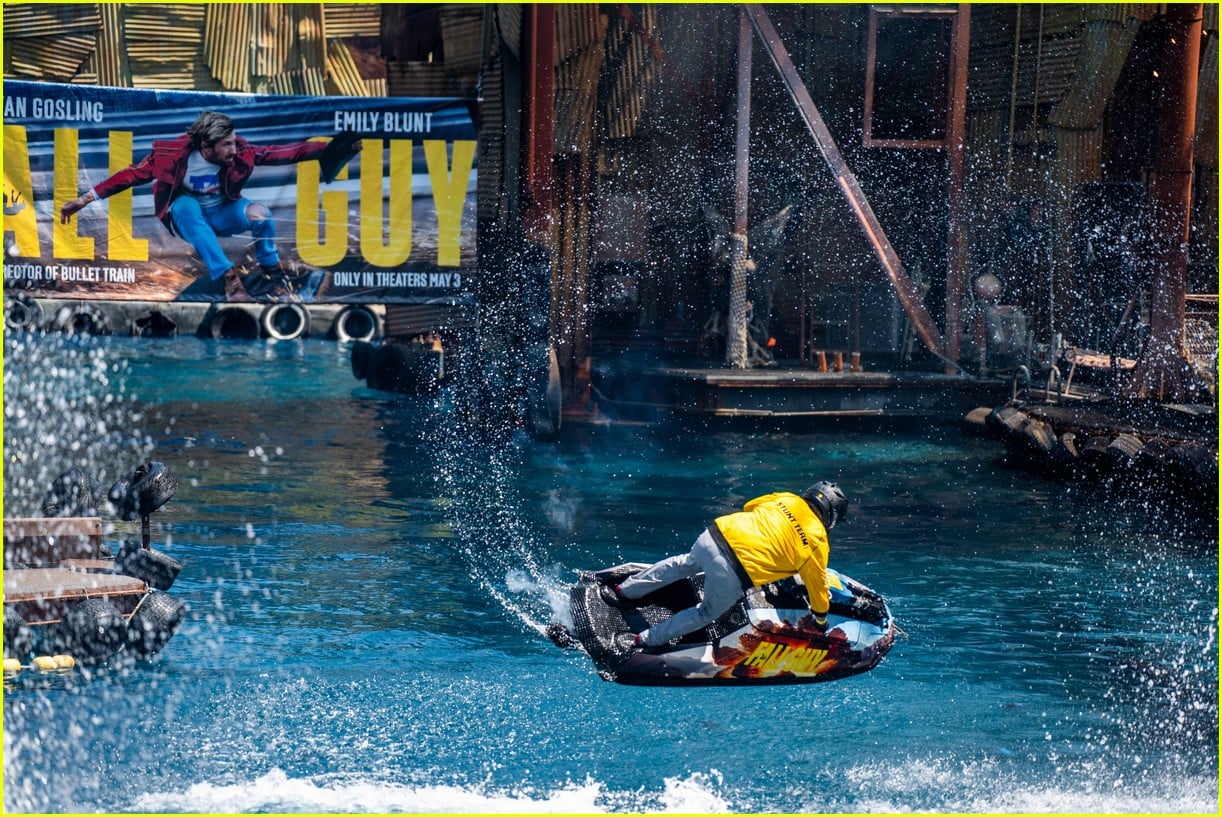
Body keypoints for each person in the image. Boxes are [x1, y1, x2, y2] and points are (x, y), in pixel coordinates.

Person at [59, 111, 359, 303]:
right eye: (226, 145)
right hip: (186, 215)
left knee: (260, 214)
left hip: (222, 212)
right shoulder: (171, 155)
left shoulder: (240, 152)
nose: (234, 149)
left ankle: (270, 266)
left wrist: (330, 148)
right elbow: (130, 175)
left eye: (234, 142)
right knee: (186, 206)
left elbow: (281, 153)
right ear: (206, 147)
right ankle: (229, 279)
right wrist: (84, 200)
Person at [604, 480, 848, 648]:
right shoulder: (818, 541)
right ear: (832, 517)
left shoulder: (787, 498)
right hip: (731, 571)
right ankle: (643, 640)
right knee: (705, 613)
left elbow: (749, 506)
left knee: (684, 564)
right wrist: (820, 621)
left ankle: (623, 591)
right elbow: (818, 588)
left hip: (714, 536)